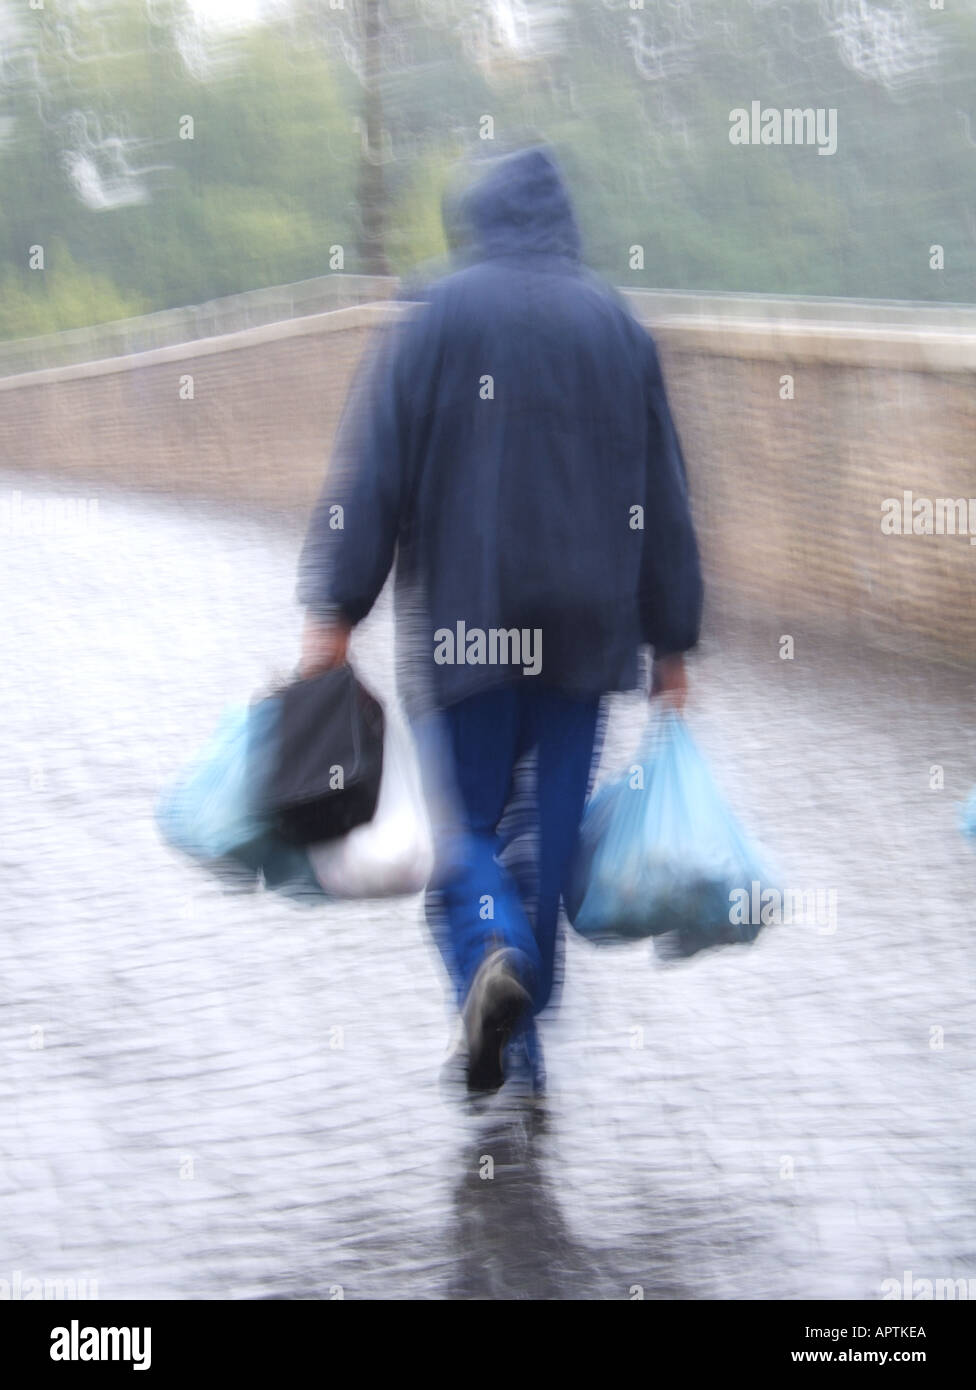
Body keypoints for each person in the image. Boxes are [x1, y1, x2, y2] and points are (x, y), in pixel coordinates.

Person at [297, 145, 703, 1099]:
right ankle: (521, 1026)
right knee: (545, 839)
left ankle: (490, 950)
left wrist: (334, 610)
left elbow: (374, 475)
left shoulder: (436, 316)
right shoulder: (618, 325)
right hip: (584, 636)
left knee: (460, 827)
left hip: (466, 628)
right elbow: (666, 498)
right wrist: (672, 640)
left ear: (473, 217)